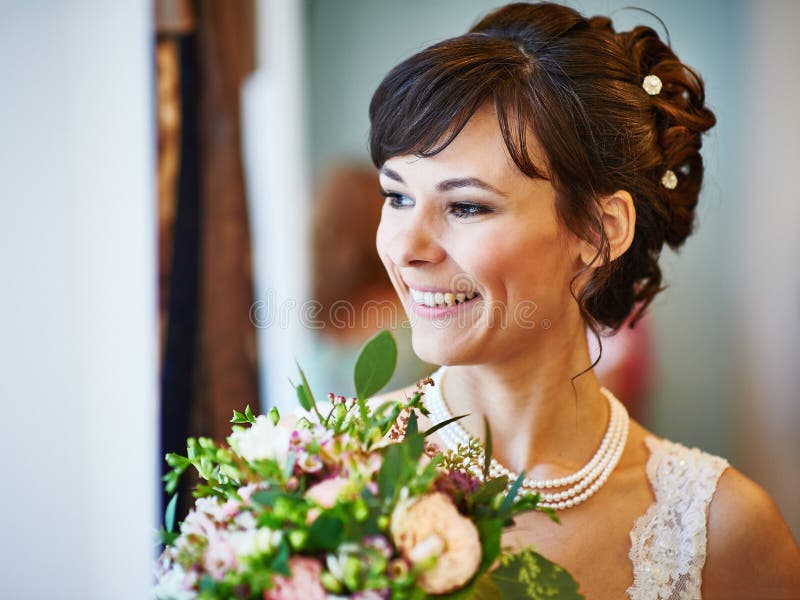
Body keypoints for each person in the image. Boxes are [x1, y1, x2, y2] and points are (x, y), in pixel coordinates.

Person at [366, 2, 800, 598]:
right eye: (396, 196)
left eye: (465, 206)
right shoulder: (312, 471)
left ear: (599, 231)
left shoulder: (726, 531)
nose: (406, 248)